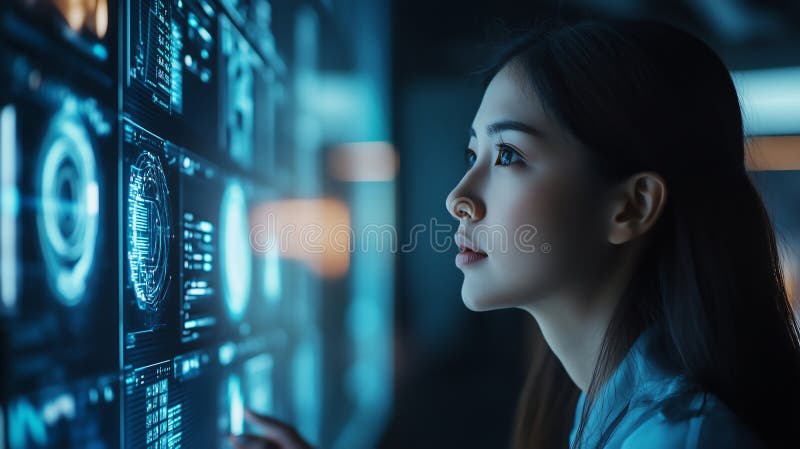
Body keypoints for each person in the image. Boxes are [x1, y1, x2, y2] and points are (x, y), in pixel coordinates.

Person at [230, 19, 800, 449]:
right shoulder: (606, 411)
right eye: (472, 153)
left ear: (631, 207)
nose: (458, 198)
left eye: (507, 155)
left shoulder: (675, 439)